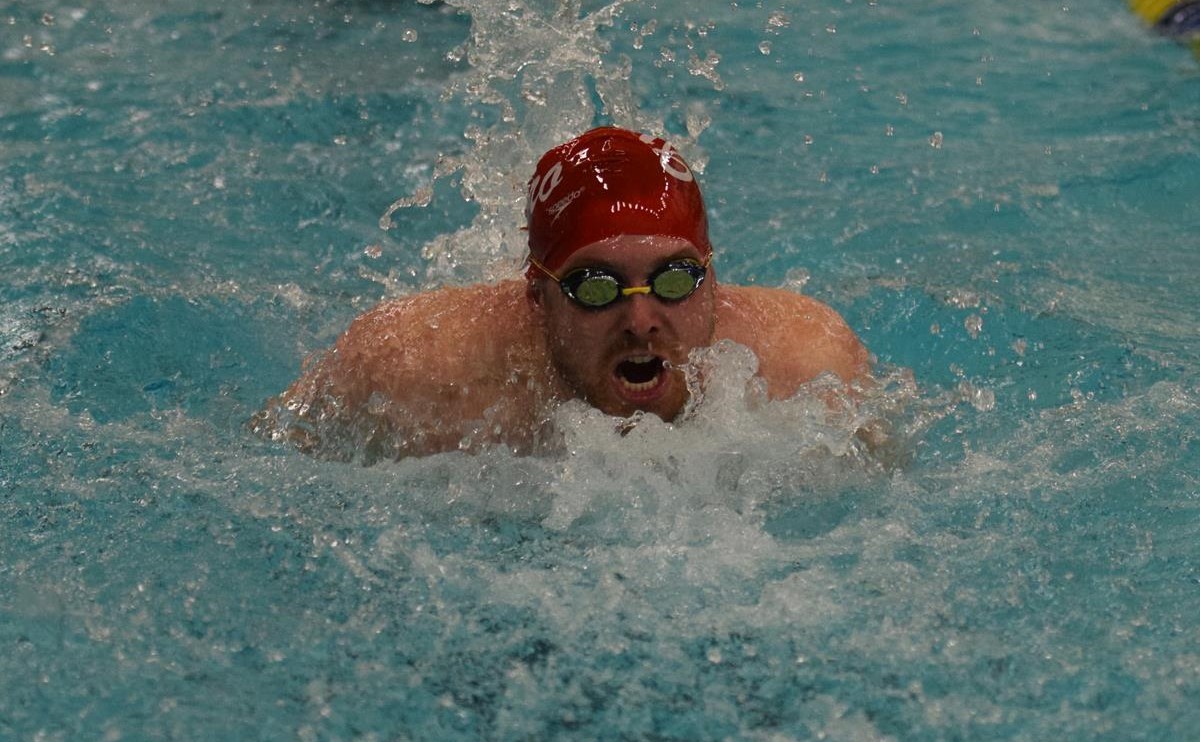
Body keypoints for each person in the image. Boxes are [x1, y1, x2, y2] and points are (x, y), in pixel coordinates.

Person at [255, 127, 871, 460]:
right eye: (595, 286)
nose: (641, 320)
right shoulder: (409, 371)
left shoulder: (810, 367)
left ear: (713, 276)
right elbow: (263, 463)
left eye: (676, 279)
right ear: (536, 295)